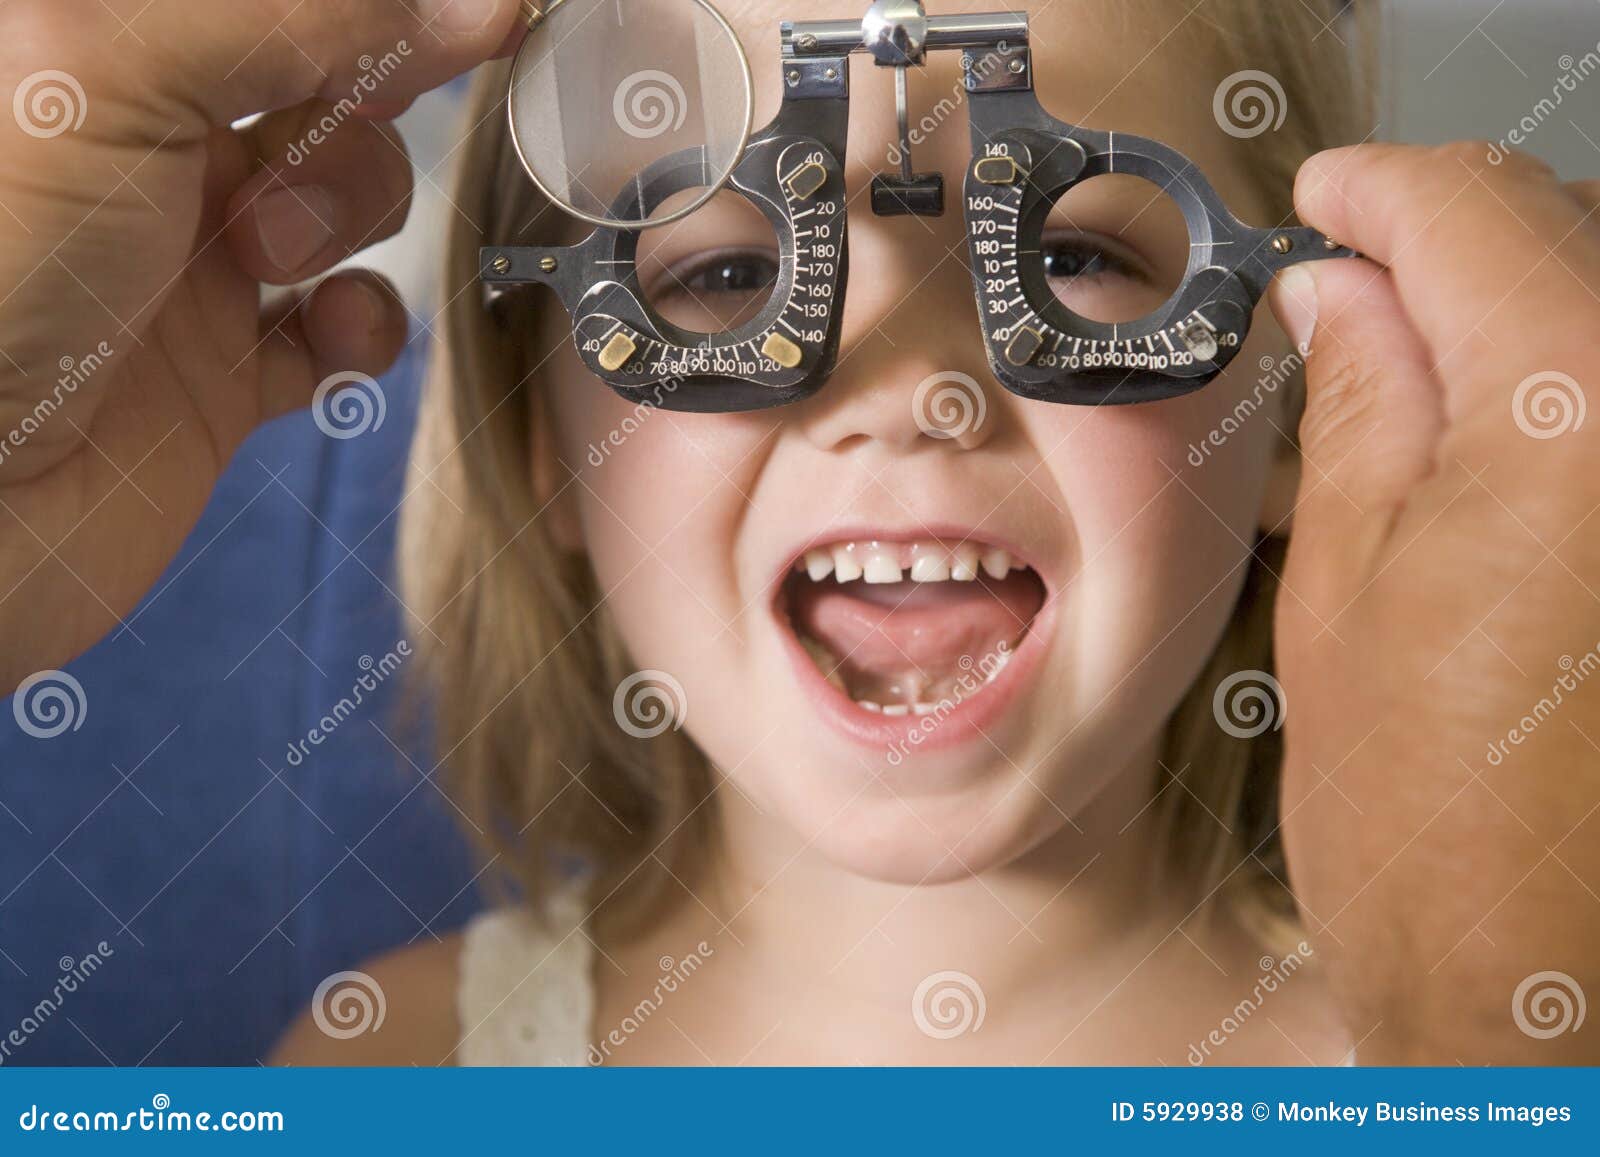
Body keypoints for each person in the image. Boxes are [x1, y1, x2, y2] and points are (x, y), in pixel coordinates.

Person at [2, 0, 1595, 1066]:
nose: (909, 386)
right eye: (717, 277)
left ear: (1310, 409)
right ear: (540, 438)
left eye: (1080, 259)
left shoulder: (1477, 1033)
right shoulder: (401, 1065)